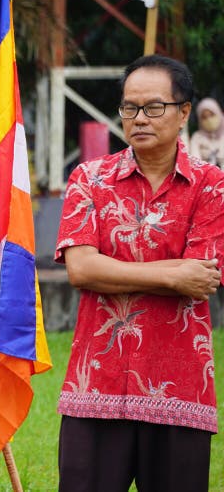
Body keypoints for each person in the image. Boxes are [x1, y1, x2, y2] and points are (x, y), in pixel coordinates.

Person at [55, 55, 224, 491]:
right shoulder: (90, 177)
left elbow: (203, 274)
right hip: (96, 383)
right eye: (129, 107)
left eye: (153, 107)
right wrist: (171, 276)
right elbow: (80, 268)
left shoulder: (212, 185)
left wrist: (108, 268)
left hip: (180, 385)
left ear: (184, 111)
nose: (138, 118)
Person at [189, 97, 224, 168]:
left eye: (211, 115)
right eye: (204, 117)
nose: (209, 120)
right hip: (206, 176)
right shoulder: (197, 137)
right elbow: (195, 163)